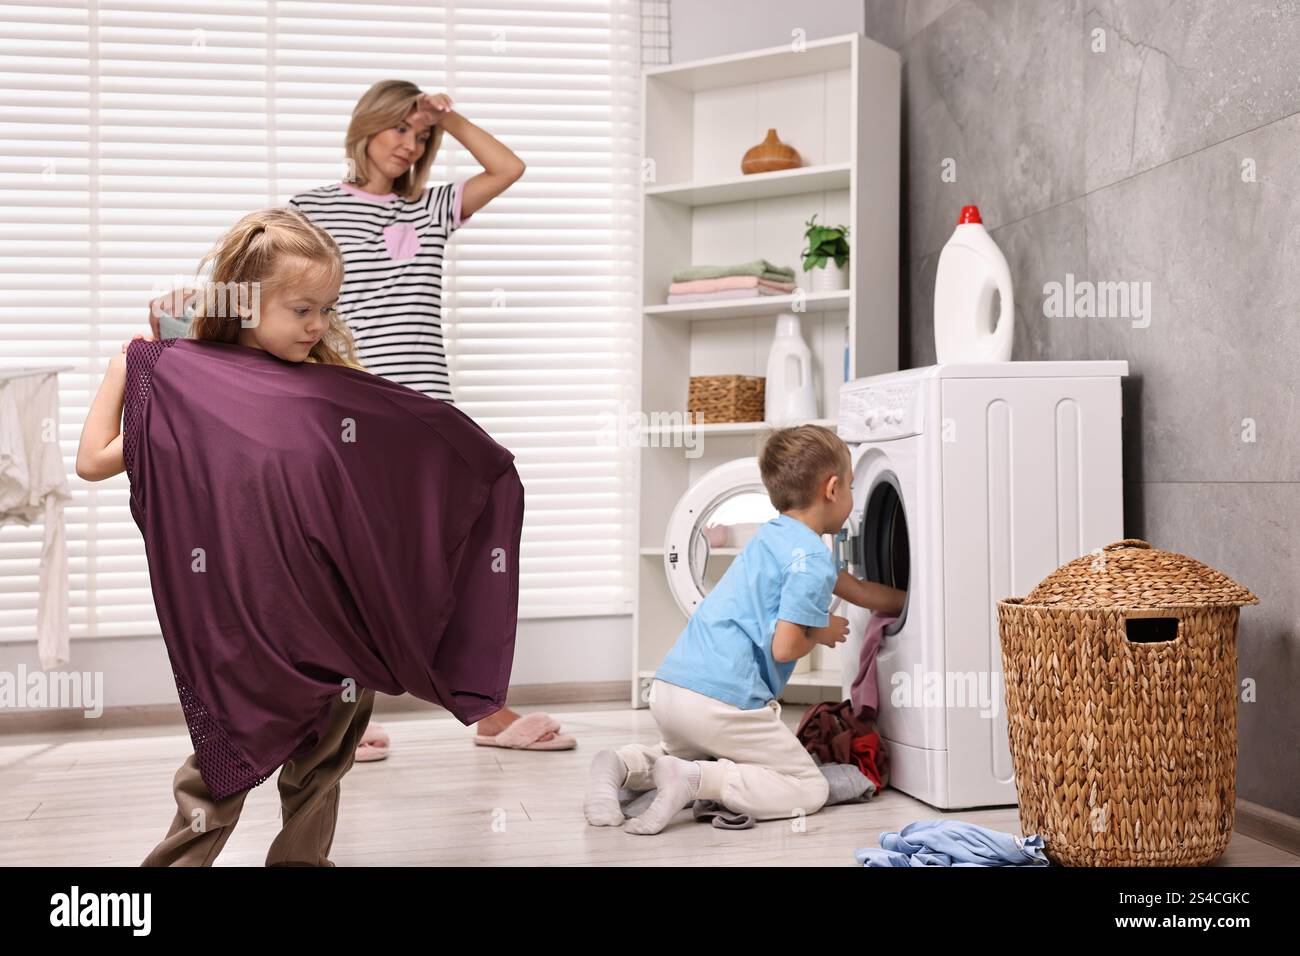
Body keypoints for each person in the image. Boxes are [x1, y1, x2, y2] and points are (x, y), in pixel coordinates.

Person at [79, 207, 523, 864]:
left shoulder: (329, 392)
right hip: (248, 627)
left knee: (323, 765)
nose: (317, 325)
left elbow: (382, 481)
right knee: (220, 767)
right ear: (245, 303)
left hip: (338, 619)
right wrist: (136, 373)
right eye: (301, 310)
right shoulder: (181, 383)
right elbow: (94, 461)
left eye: (326, 309)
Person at [583, 425, 906, 834]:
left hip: (672, 691)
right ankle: (697, 780)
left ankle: (618, 766)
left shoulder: (772, 536)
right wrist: (821, 631)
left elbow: (858, 590)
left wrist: (914, 599)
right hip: (723, 700)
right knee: (809, 788)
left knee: (675, 753)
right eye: (852, 487)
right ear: (832, 489)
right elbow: (785, 647)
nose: (852, 498)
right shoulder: (812, 560)